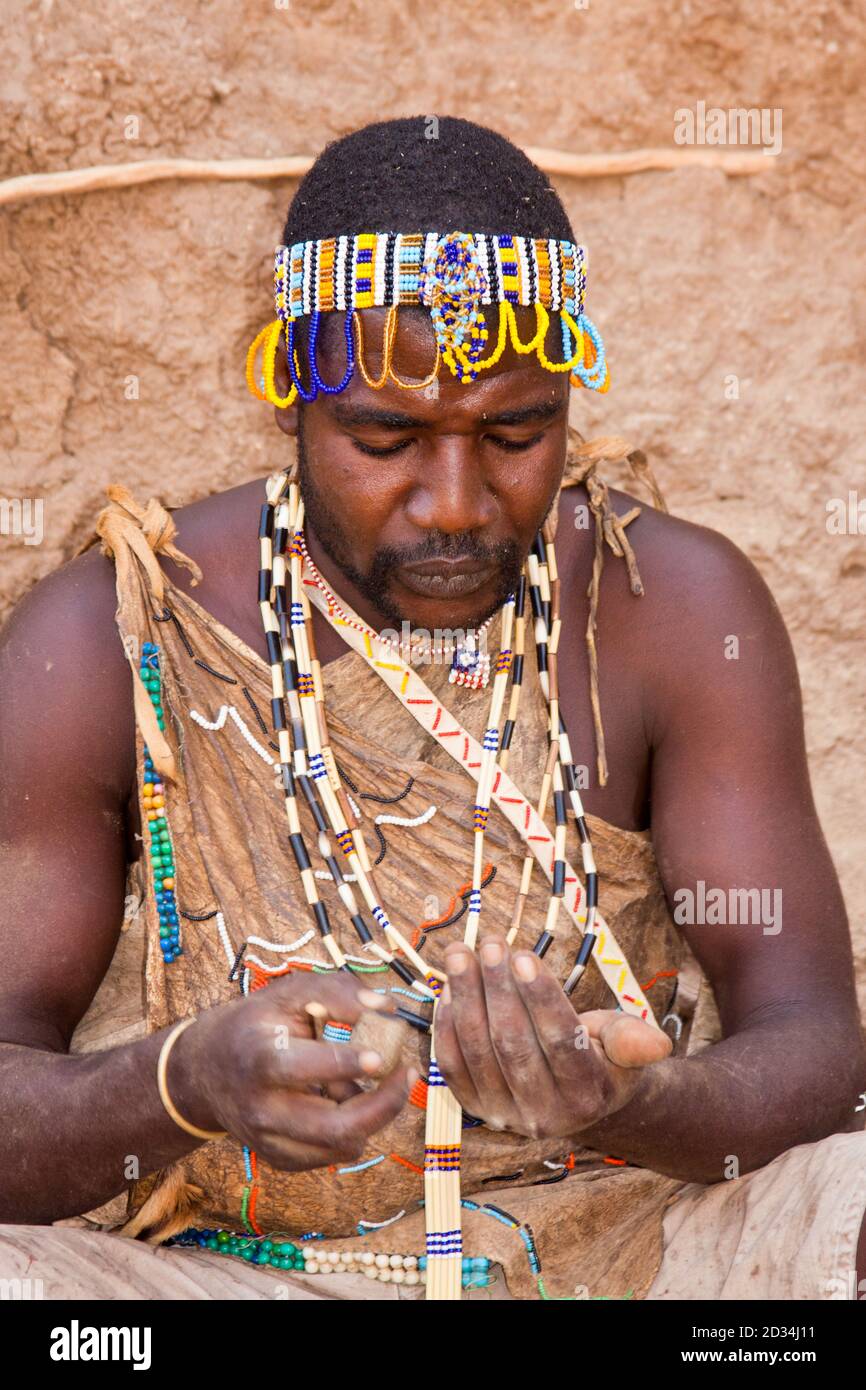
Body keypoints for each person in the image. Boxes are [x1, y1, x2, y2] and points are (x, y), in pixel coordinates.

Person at [1, 115, 864, 1303]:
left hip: (637, 1257)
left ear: (566, 399)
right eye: (384, 435)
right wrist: (181, 1084)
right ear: (289, 401)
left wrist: (635, 1099)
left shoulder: (667, 607)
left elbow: (813, 1039)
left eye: (516, 432)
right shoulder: (110, 638)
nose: (456, 503)